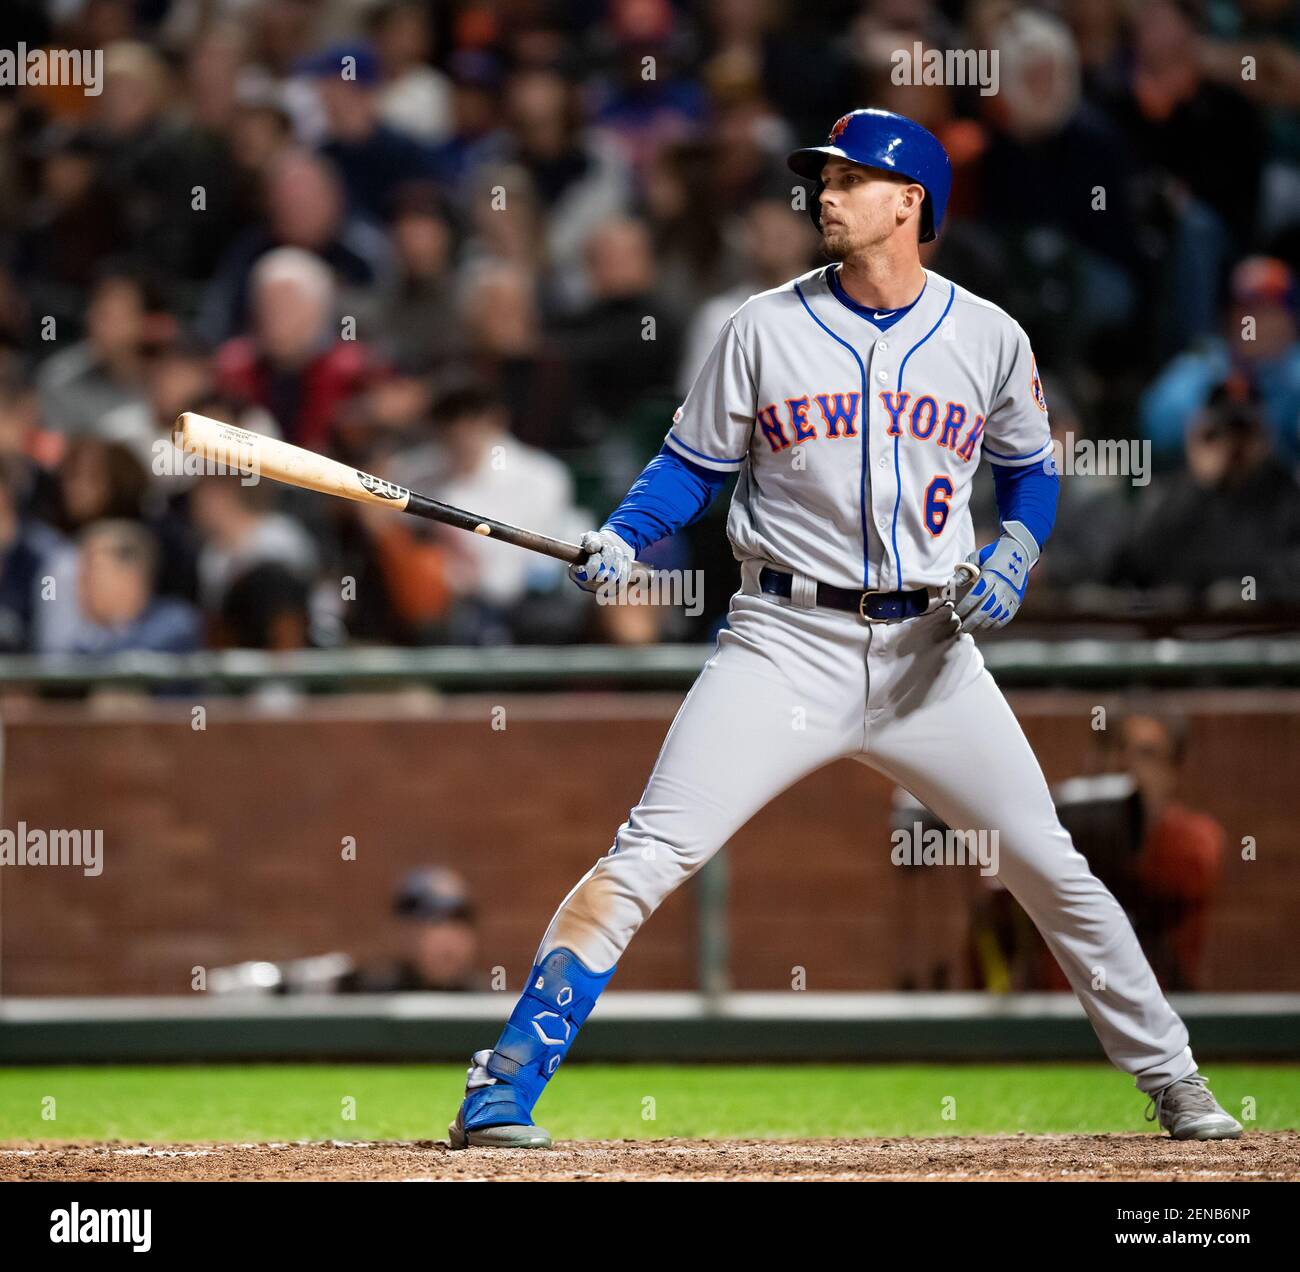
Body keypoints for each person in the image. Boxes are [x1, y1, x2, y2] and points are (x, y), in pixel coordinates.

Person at [447, 108, 1242, 1149]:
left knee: (1047, 862)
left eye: (851, 179)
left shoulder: (987, 333)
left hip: (931, 655)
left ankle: (1174, 1079)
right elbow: (690, 466)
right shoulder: (761, 326)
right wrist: (626, 536)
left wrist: (1014, 553)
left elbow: (1031, 472)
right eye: (822, 179)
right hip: (784, 641)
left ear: (911, 202)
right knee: (650, 851)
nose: (825, 194)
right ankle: (504, 1082)